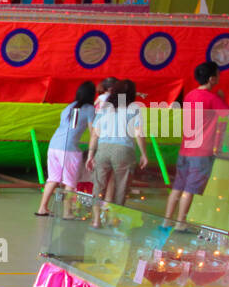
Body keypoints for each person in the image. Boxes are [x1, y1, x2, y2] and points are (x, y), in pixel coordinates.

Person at [164, 61, 229, 230]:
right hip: (201, 152)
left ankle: (166, 220)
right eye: (218, 74)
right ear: (211, 79)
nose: (219, 77)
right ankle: (181, 223)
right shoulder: (212, 98)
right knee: (189, 189)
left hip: (185, 150)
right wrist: (222, 100)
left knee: (178, 187)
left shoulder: (189, 95)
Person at [87, 79, 148, 226]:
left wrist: (90, 155)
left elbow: (95, 134)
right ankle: (113, 219)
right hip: (124, 150)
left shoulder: (105, 108)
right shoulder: (134, 109)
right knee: (121, 187)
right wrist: (144, 154)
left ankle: (96, 220)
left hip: (103, 149)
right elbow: (138, 133)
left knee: (99, 185)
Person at [35, 81, 96, 217]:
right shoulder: (89, 109)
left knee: (53, 178)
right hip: (68, 149)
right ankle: (67, 213)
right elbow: (93, 132)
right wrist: (92, 149)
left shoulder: (69, 107)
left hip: (54, 146)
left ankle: (42, 208)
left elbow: (70, 128)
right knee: (70, 181)